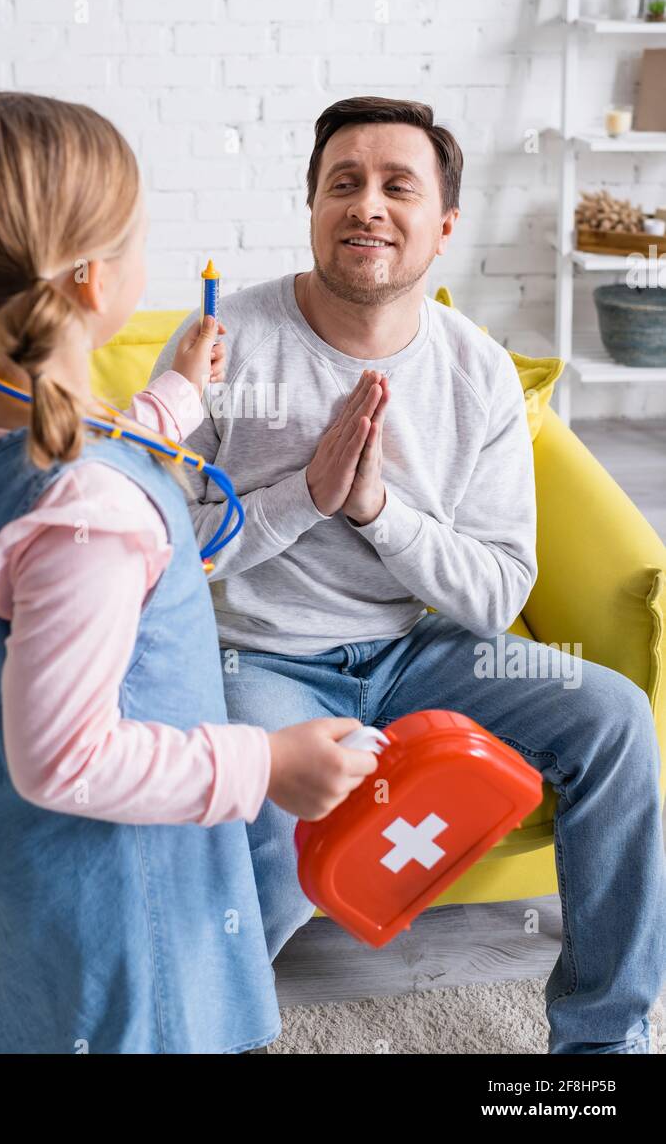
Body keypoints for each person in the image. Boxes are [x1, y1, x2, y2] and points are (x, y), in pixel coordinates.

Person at [0, 91, 378, 1055]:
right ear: (92, 279)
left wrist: (174, 397)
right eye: (140, 237)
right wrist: (265, 763)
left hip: (30, 855)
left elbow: (75, 440)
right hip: (122, 874)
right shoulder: (87, 514)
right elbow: (66, 757)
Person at [151, 95, 666, 1055]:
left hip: (417, 650)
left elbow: (498, 594)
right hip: (259, 657)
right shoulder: (226, 342)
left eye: (398, 186)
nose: (367, 206)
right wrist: (306, 494)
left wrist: (378, 513)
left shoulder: (478, 373)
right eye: (342, 183)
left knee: (613, 719)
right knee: (255, 799)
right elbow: (166, 557)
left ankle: (603, 1047)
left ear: (443, 226)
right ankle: (196, 1034)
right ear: (310, 208)